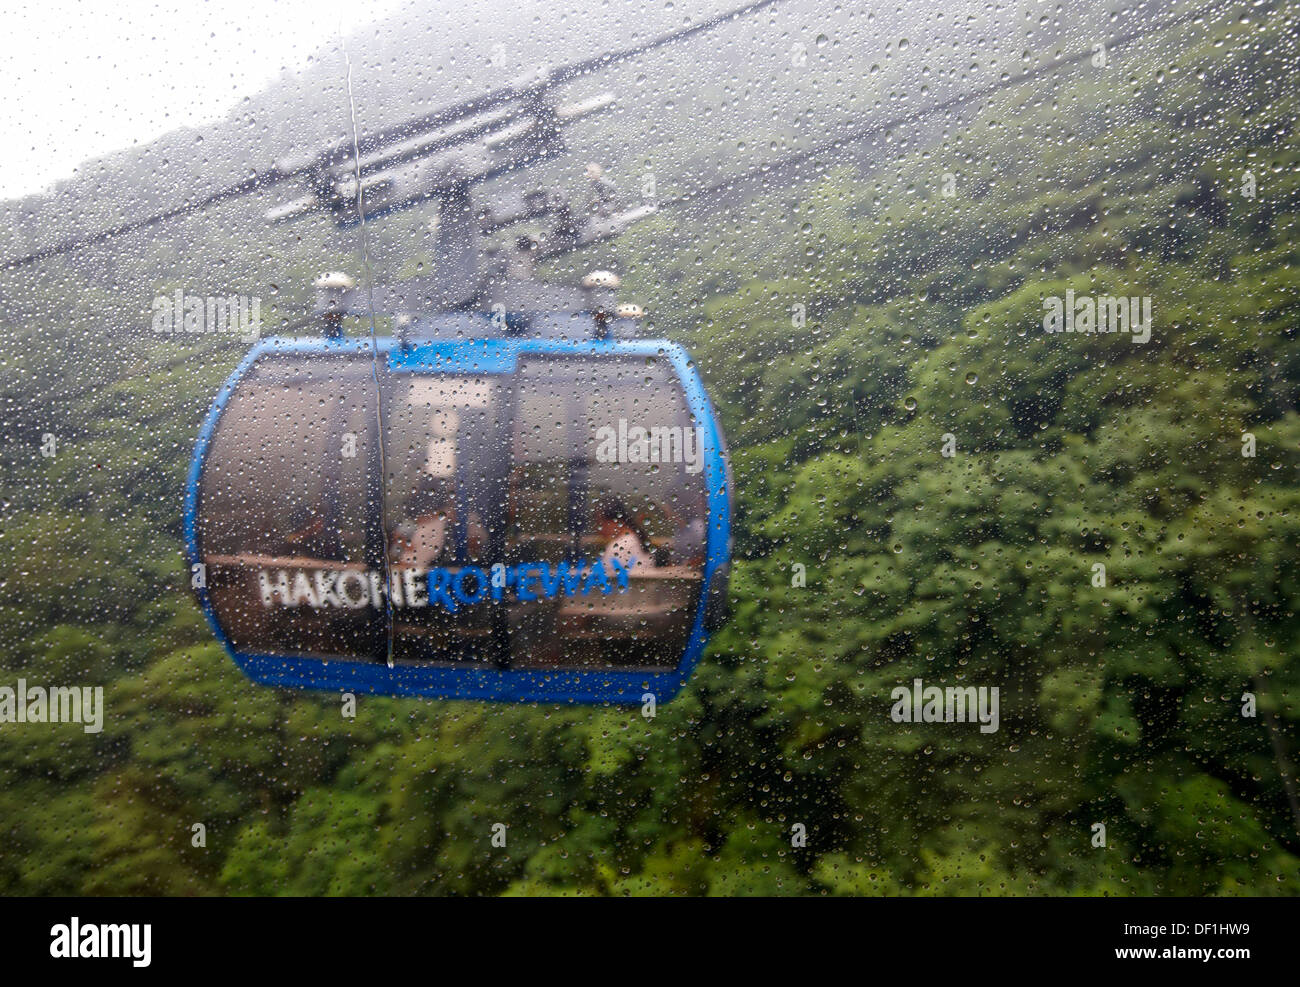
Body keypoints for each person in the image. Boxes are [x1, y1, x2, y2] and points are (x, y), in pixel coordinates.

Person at [596, 497, 654, 571]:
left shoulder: (619, 547)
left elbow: (606, 578)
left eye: (600, 522)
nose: (598, 528)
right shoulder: (636, 538)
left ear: (614, 521)